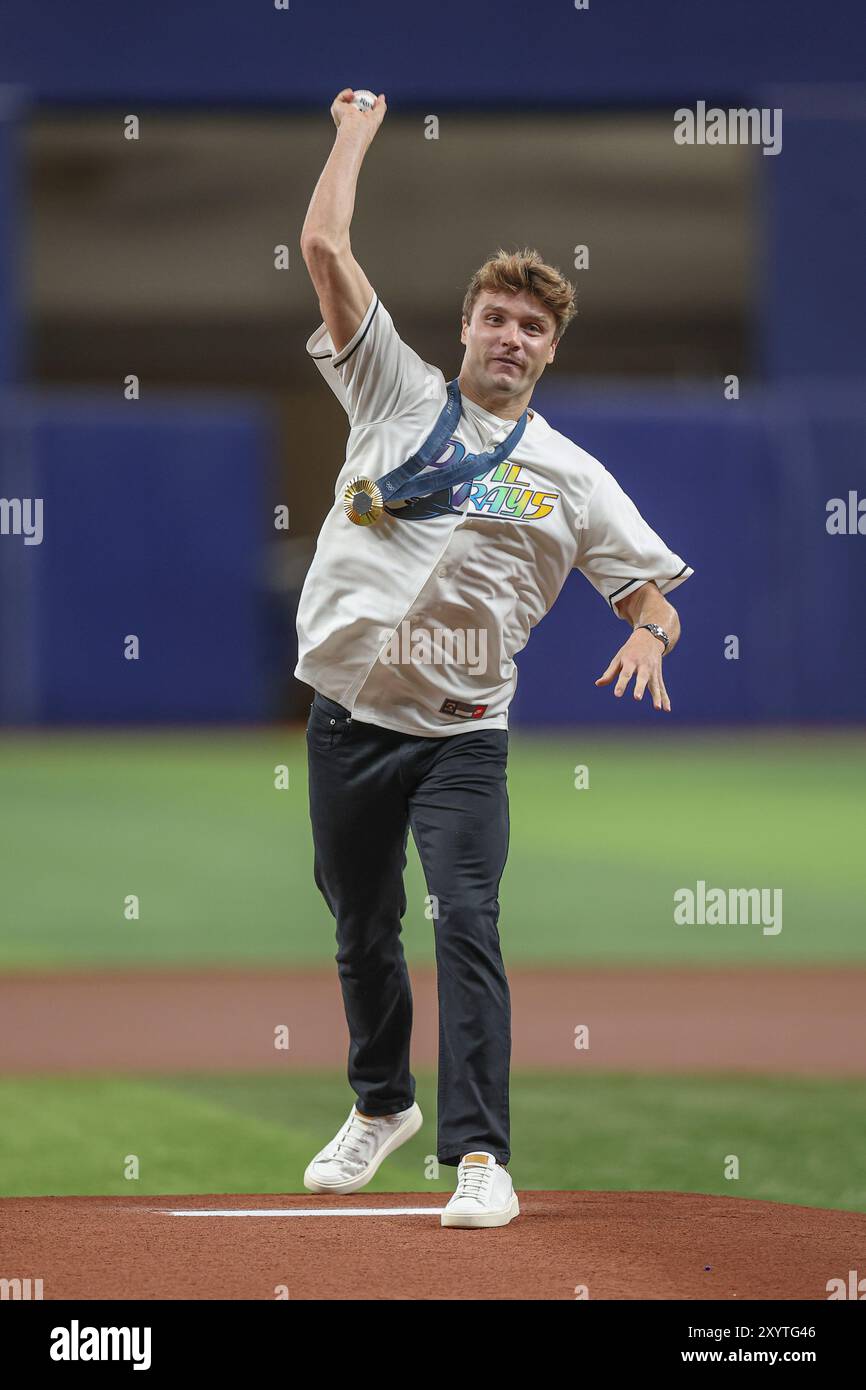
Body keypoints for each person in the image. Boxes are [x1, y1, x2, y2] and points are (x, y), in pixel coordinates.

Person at [295, 89, 693, 1229]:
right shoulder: (389, 391)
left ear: (549, 349)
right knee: (357, 923)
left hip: (463, 733)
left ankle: (478, 1158)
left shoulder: (568, 474)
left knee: (463, 917)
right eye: (495, 317)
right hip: (344, 718)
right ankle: (381, 1105)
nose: (510, 336)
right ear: (463, 324)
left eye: (532, 326)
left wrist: (648, 634)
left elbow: (648, 592)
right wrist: (355, 132)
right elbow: (324, 244)